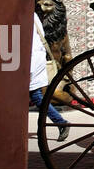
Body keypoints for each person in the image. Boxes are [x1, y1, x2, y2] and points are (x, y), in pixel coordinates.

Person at [28, 11, 69, 141]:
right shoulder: (33, 16)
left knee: (34, 95)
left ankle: (61, 123)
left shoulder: (25, 14)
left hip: (31, 59)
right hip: (36, 57)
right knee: (36, 96)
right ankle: (60, 122)